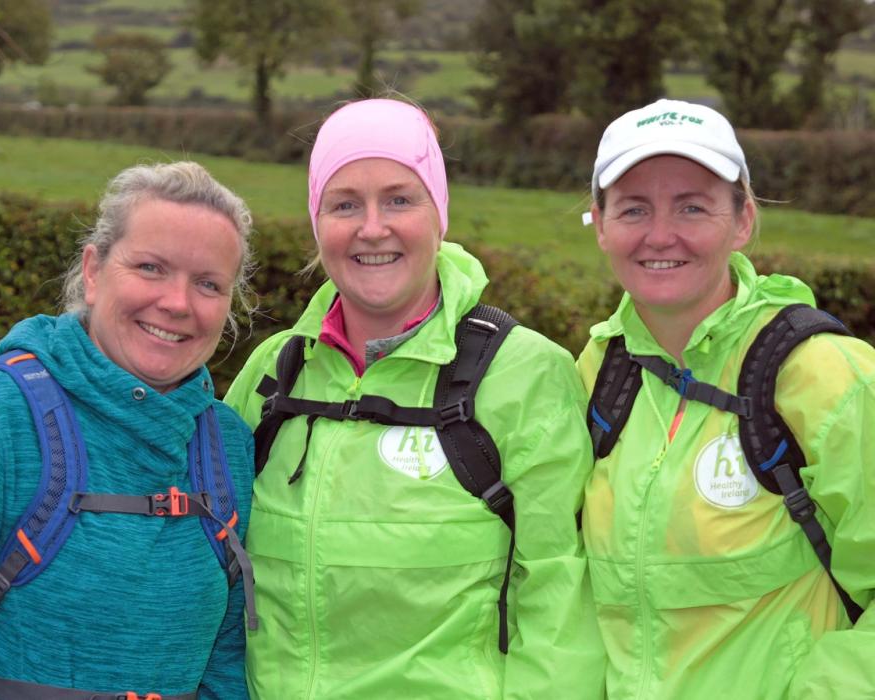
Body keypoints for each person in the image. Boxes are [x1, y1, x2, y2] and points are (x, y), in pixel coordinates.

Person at [224, 98, 604, 698]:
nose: (372, 228)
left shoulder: (524, 375)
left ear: (439, 213)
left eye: (400, 199)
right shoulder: (275, 375)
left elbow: (560, 603)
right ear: (317, 222)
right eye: (345, 203)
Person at [0, 161, 256, 700]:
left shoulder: (228, 446)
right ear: (94, 271)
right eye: (150, 267)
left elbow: (229, 658)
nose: (177, 303)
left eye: (208, 284)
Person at [580, 98, 875, 699]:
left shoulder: (823, 372)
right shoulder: (594, 373)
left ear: (742, 220)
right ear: (601, 223)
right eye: (634, 208)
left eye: (692, 206)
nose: (661, 235)